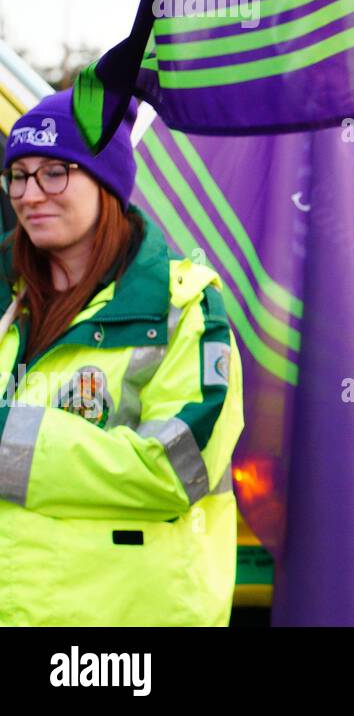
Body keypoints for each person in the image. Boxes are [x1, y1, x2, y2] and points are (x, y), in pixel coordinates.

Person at [0, 90, 243, 626]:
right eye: (17, 174)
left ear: (106, 183)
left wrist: (7, 441)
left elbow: (177, 472)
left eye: (55, 172)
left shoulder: (184, 305)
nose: (29, 193)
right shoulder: (9, 303)